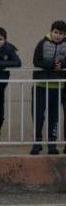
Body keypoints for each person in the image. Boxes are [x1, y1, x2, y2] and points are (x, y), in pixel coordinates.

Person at [30, 20, 66, 155]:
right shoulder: (42, 43)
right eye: (56, 32)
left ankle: (52, 145)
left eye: (61, 33)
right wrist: (51, 64)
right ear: (51, 31)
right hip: (41, 85)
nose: (58, 35)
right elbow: (36, 60)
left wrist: (61, 64)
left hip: (57, 87)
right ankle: (36, 144)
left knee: (54, 117)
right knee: (38, 116)